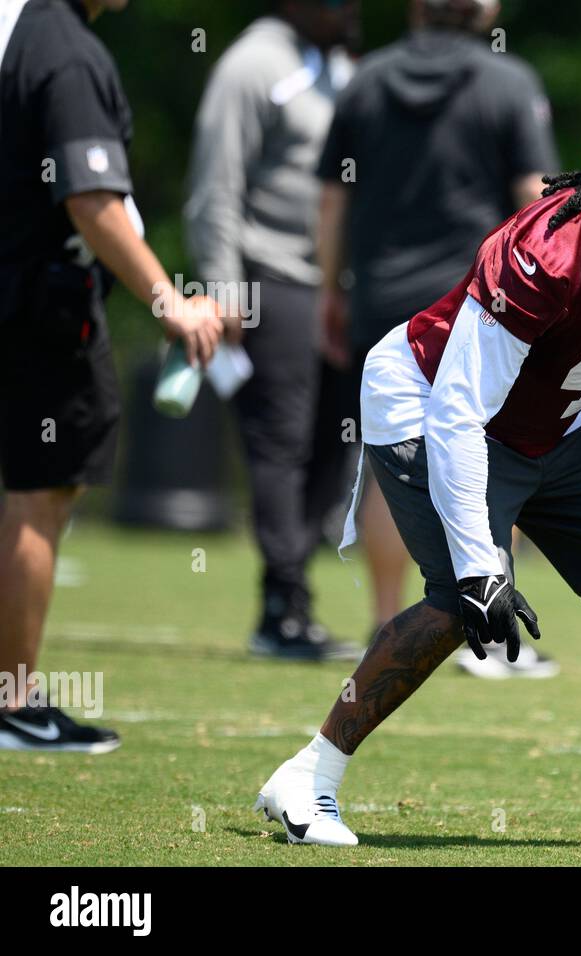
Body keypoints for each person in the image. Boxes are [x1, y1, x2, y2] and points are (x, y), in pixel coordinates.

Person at [254, 50, 581, 849]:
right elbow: (460, 409)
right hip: (425, 401)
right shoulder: (550, 249)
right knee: (456, 600)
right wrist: (480, 562)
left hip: (548, 420)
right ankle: (307, 776)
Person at [0, 0, 225, 750]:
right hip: (39, 313)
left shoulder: (24, 30)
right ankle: (13, 701)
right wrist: (170, 303)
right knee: (40, 493)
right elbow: (92, 202)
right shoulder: (65, 51)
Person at [315, 0, 560, 677]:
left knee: (389, 461)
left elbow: (332, 199)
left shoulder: (363, 80)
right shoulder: (509, 83)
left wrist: (329, 291)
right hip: (476, 303)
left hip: (381, 300)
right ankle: (489, 635)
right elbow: (534, 202)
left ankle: (389, 623)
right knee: (490, 454)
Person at [185, 0, 362, 662]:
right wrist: (223, 285)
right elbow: (216, 184)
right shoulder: (253, 64)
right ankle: (281, 606)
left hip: (331, 285)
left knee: (336, 440)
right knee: (280, 441)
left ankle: (293, 583)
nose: (352, 11)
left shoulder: (337, 66)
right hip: (272, 277)